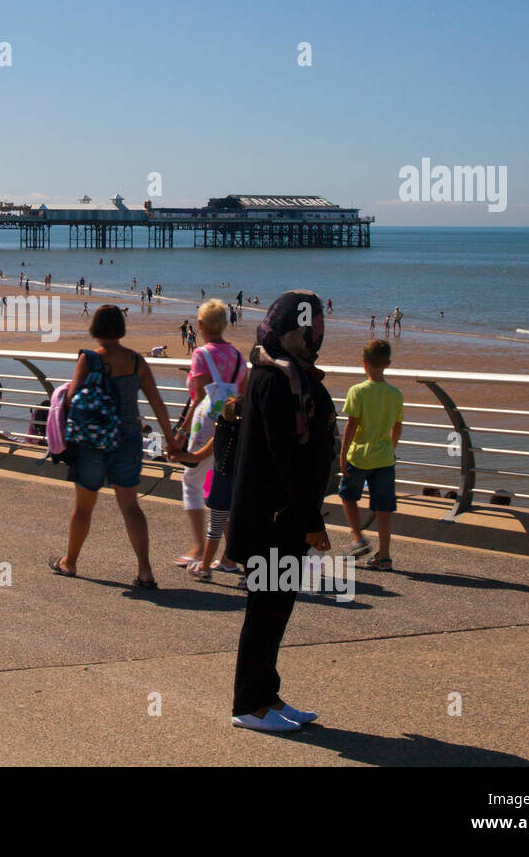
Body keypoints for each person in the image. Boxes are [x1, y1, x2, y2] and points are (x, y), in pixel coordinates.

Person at [225, 291, 335, 732]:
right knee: (265, 609)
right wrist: (312, 522)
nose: (314, 336)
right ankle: (248, 705)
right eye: (306, 329)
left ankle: (267, 696)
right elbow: (283, 456)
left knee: (278, 607)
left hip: (285, 517)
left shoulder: (291, 375)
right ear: (286, 330)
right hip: (273, 517)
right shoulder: (273, 380)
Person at [48, 305, 181, 589]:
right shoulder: (135, 361)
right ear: (120, 328)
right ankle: (145, 571)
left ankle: (69, 562)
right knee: (131, 506)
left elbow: (71, 399)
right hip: (128, 439)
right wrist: (169, 438)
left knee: (83, 508)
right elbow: (157, 402)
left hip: (93, 441)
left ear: (95, 328)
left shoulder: (90, 358)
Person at [172, 300, 247, 577]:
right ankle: (227, 555)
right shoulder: (239, 356)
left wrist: (180, 432)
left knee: (191, 480)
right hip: (232, 428)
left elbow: (199, 398)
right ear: (225, 324)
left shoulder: (202, 354)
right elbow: (244, 394)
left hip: (206, 424)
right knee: (223, 486)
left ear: (200, 326)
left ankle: (199, 545)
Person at [338, 339, 404, 568]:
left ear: (363, 362)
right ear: (388, 363)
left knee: (348, 496)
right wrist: (391, 448)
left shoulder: (357, 391)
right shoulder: (395, 394)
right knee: (384, 507)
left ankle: (358, 538)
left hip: (359, 455)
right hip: (385, 457)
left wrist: (342, 454)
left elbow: (351, 425)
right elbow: (397, 427)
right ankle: (384, 556)